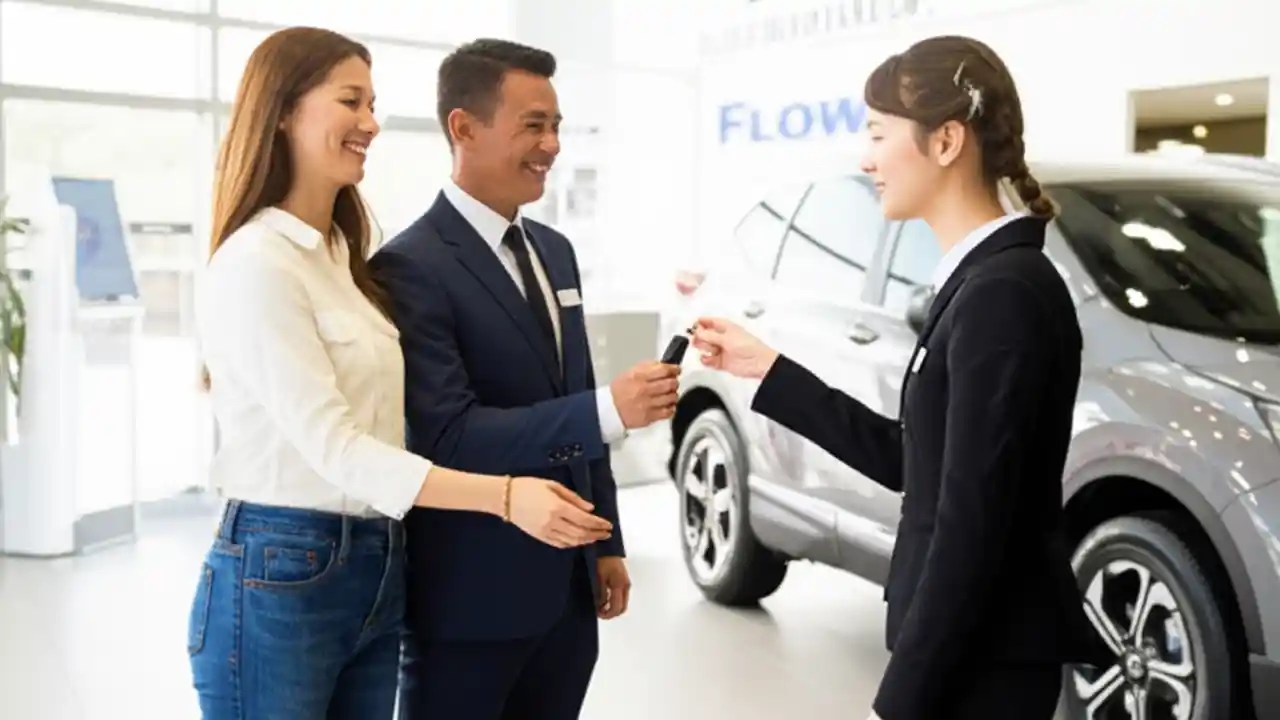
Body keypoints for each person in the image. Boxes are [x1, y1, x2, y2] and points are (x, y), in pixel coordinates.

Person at [188, 27, 613, 720]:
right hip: (282, 565)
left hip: (377, 563)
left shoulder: (343, 257)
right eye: (351, 101)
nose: (371, 123)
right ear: (286, 111)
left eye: (373, 103)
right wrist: (505, 497)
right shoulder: (257, 261)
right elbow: (340, 447)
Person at [690, 35, 1101, 720]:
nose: (865, 157)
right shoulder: (981, 281)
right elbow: (916, 461)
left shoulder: (1003, 294)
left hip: (979, 661)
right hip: (973, 650)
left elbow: (973, 525)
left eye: (878, 133)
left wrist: (903, 698)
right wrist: (769, 370)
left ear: (945, 142)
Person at [368, 39, 679, 720]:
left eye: (557, 125)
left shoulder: (554, 250)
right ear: (463, 128)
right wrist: (608, 409)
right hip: (471, 604)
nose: (552, 145)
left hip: (568, 599)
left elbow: (574, 394)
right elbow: (447, 433)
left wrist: (606, 543)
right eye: (533, 125)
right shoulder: (409, 266)